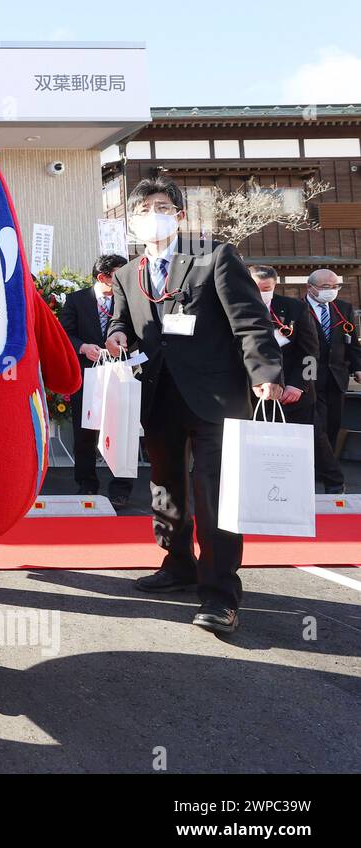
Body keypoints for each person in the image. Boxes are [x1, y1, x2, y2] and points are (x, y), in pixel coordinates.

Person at [105, 177, 283, 635]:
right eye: (143, 209)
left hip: (216, 399)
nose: (152, 215)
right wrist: (115, 335)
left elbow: (250, 322)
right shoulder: (128, 273)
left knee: (214, 495)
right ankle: (178, 564)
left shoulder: (215, 257)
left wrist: (264, 375)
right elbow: (120, 321)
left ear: (179, 215)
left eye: (161, 206)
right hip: (158, 396)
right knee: (165, 490)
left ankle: (220, 595)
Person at [59, 253, 134, 509]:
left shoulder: (131, 299)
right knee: (85, 431)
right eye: (119, 276)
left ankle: (121, 488)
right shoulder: (77, 300)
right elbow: (64, 334)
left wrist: (125, 345)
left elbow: (141, 332)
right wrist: (83, 348)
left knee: (122, 430)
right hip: (88, 374)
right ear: (103, 277)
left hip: (122, 373)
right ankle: (87, 483)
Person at [302, 269, 361, 493]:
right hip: (310, 376)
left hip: (337, 375)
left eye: (335, 286)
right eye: (326, 287)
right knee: (317, 426)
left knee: (334, 424)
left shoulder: (343, 308)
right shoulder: (297, 308)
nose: (331, 291)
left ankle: (325, 467)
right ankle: (320, 470)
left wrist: (357, 367)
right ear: (310, 287)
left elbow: (351, 343)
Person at [249, 265, 318, 426]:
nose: (260, 293)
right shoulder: (233, 308)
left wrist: (300, 385)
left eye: (266, 288)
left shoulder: (295, 308)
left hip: (291, 394)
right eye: (255, 288)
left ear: (274, 285)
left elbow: (312, 353)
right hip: (249, 394)